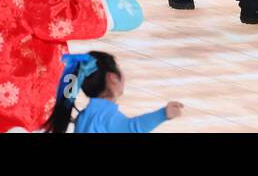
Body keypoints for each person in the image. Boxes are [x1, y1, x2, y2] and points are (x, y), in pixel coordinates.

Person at [46, 51, 183, 133]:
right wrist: (163, 114)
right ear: (113, 78)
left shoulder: (85, 115)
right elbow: (132, 128)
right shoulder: (105, 117)